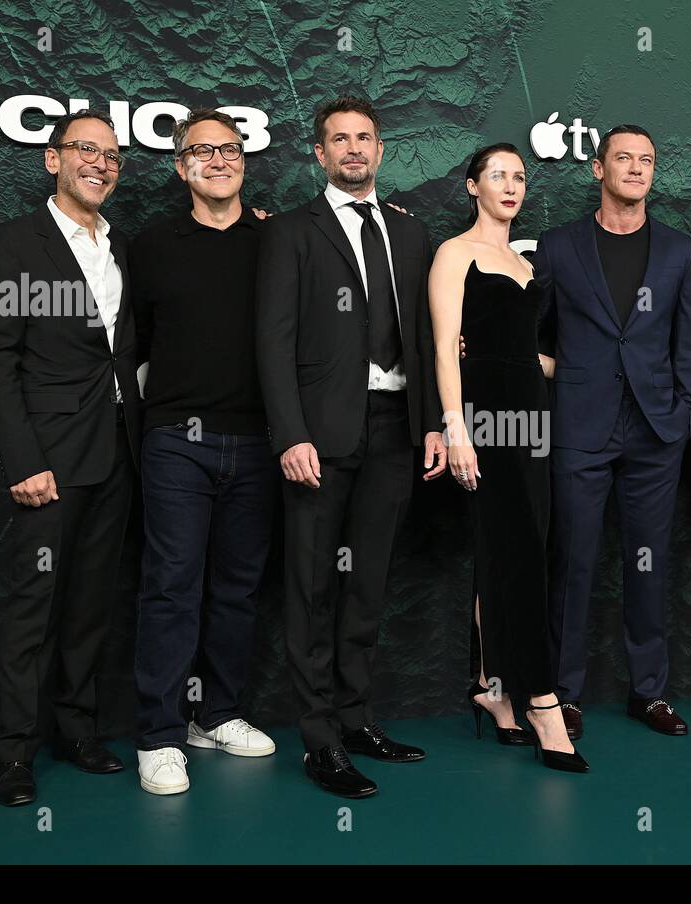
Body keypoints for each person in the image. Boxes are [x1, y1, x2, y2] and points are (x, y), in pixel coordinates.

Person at [255, 95, 447, 798]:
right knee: (310, 589)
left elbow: (425, 339)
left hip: (396, 425)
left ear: (382, 149)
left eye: (364, 138)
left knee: (367, 583)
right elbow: (271, 341)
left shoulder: (411, 231)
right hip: (320, 432)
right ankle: (319, 741)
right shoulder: (292, 232)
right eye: (339, 139)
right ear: (319, 153)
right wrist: (290, 433)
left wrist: (431, 420)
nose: (354, 149)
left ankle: (357, 717)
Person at [0, 108, 141, 806]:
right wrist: (23, 461)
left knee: (90, 607)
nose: (99, 163)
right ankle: (14, 753)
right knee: (33, 610)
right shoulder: (14, 242)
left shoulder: (122, 246)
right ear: (54, 159)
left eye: (111, 155)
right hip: (48, 459)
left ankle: (76, 731)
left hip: (116, 455)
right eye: (85, 150)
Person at [534, 125, 691, 740]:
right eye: (623, 159)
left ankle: (649, 692)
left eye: (646, 161)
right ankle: (562, 695)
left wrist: (685, 416)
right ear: (597, 169)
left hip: (657, 430)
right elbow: (538, 332)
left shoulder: (680, 252)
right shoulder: (558, 247)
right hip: (580, 427)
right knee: (574, 563)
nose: (635, 169)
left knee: (649, 564)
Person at [128, 108, 278, 797]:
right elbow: (134, 348)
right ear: (180, 165)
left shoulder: (276, 240)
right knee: (171, 583)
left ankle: (215, 714)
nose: (218, 160)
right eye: (202, 151)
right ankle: (159, 734)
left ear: (244, 160)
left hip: (258, 440)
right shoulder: (151, 244)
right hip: (175, 441)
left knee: (238, 587)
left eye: (229, 149)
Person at [431, 143, 587, 772]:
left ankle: (492, 689)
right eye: (498, 175)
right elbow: (445, 348)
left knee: (515, 552)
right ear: (473, 186)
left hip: (534, 422)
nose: (511, 185)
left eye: (519, 176)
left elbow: (535, 357)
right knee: (514, 553)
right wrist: (456, 429)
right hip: (484, 423)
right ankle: (543, 703)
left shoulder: (527, 264)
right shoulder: (454, 253)